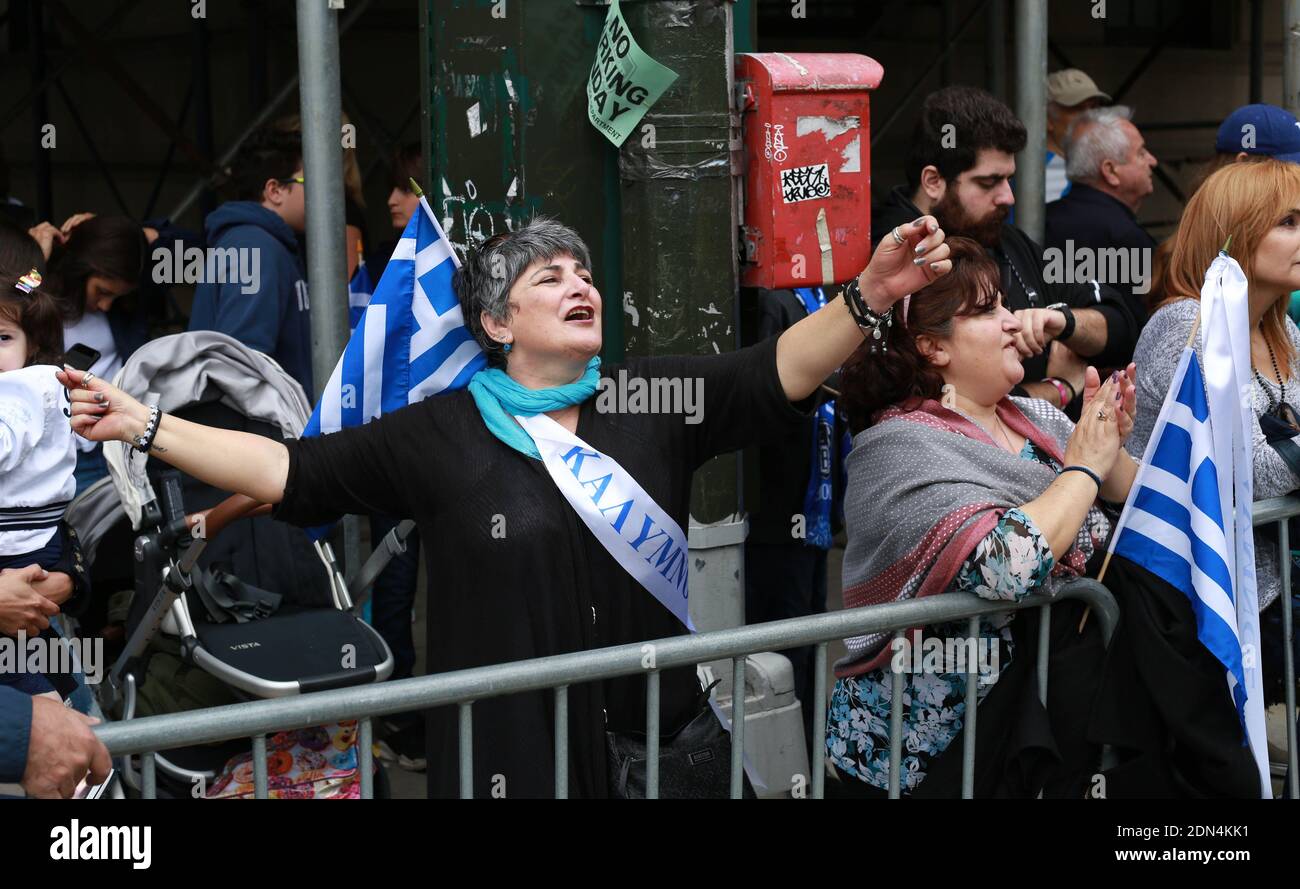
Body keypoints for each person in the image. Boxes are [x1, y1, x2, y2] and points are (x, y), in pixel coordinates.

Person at [59, 214, 953, 798]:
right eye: (550, 277)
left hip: (664, 749)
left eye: (585, 271)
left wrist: (869, 295)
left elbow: (780, 369)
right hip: (512, 761)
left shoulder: (653, 397)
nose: (580, 285)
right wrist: (145, 423)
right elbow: (286, 470)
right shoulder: (437, 435)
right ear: (497, 324)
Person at [828, 236, 1137, 797]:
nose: (1013, 323)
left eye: (1005, 304)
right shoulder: (896, 446)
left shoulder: (1036, 417)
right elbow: (1007, 565)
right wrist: (1084, 471)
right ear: (933, 347)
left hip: (1033, 728)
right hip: (923, 754)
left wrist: (1110, 441)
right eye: (988, 310)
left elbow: (1127, 508)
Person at [1130, 158, 1300, 737]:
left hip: (1267, 589)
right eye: (1289, 222)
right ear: (1237, 232)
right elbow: (1247, 469)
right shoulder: (1186, 324)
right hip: (1195, 598)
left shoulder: (1281, 328)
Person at [872, 86, 1139, 417]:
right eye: (988, 182)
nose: (1008, 197)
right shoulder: (892, 262)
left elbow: (1122, 324)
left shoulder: (1003, 238)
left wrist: (1061, 321)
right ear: (933, 181)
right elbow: (945, 407)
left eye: (1009, 179)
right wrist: (1061, 388)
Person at [742, 285, 848, 760]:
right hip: (774, 513)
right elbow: (771, 395)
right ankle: (788, 770)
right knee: (780, 660)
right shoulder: (769, 299)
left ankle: (809, 766)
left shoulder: (824, 293)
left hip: (815, 511)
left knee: (808, 652)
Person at [0, 270, 94, 717]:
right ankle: (63, 718)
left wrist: (70, 578)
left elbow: (6, 438)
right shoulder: (46, 386)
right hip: (36, 542)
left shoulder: (17, 391)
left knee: (22, 663)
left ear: (30, 344)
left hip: (20, 548)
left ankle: (60, 725)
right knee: (33, 659)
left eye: (2, 337)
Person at [189, 124, 312, 396]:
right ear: (275, 190)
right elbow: (240, 370)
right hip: (260, 434)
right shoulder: (255, 246)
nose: (320, 193)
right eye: (309, 181)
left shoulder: (268, 243)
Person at [31, 214, 147, 494]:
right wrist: (33, 261)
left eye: (115, 297)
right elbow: (8, 301)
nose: (107, 305)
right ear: (81, 270)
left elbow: (196, 243)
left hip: (114, 446)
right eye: (102, 291)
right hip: (53, 451)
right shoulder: (39, 298)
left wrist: (116, 233)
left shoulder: (123, 313)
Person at [1046, 105, 1158, 319]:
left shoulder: (1044, 223)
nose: (1153, 161)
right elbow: (1147, 328)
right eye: (1141, 153)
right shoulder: (1126, 238)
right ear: (1110, 171)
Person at [1045, 69, 1111, 203]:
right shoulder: (1033, 176)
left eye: (1093, 107)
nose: (1089, 116)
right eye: (1078, 109)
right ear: (1047, 120)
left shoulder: (1101, 165)